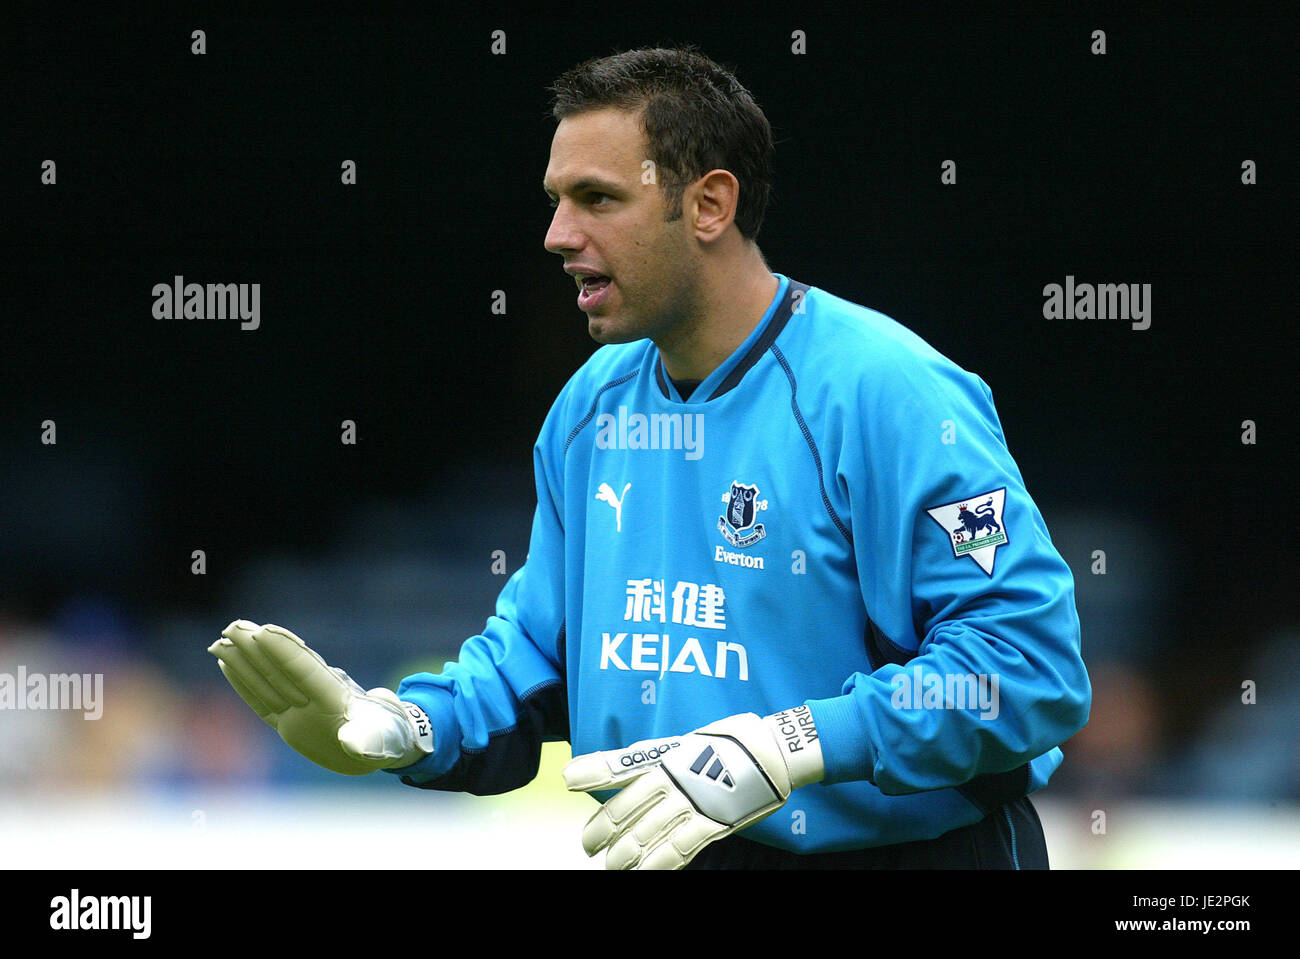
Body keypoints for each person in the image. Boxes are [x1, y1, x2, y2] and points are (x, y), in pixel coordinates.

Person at [209, 46, 1091, 870]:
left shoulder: (888, 390)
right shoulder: (590, 405)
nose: (557, 234)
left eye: (596, 199)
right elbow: (538, 656)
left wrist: (791, 744)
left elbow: (1026, 670)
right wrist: (404, 725)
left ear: (709, 204)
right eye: (556, 200)